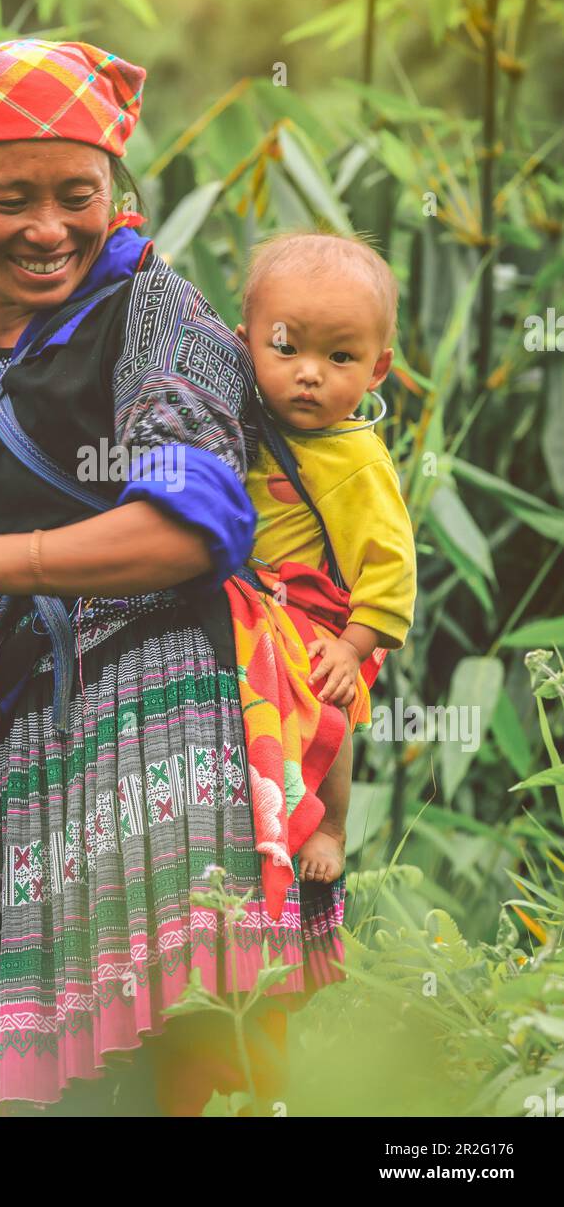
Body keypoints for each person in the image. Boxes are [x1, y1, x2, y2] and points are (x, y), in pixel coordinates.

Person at [0, 38, 348, 1118]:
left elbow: (189, 529)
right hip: (30, 756)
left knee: (184, 1077)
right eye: (10, 199)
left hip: (168, 726)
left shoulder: (160, 318)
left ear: (116, 191)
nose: (49, 227)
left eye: (78, 194)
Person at [234, 230, 417, 886]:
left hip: (317, 617)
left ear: (377, 370)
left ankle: (332, 825)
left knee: (326, 705)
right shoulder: (232, 416)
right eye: (285, 347)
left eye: (340, 356)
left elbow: (391, 567)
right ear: (244, 341)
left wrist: (352, 645)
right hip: (246, 598)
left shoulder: (358, 459)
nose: (309, 372)